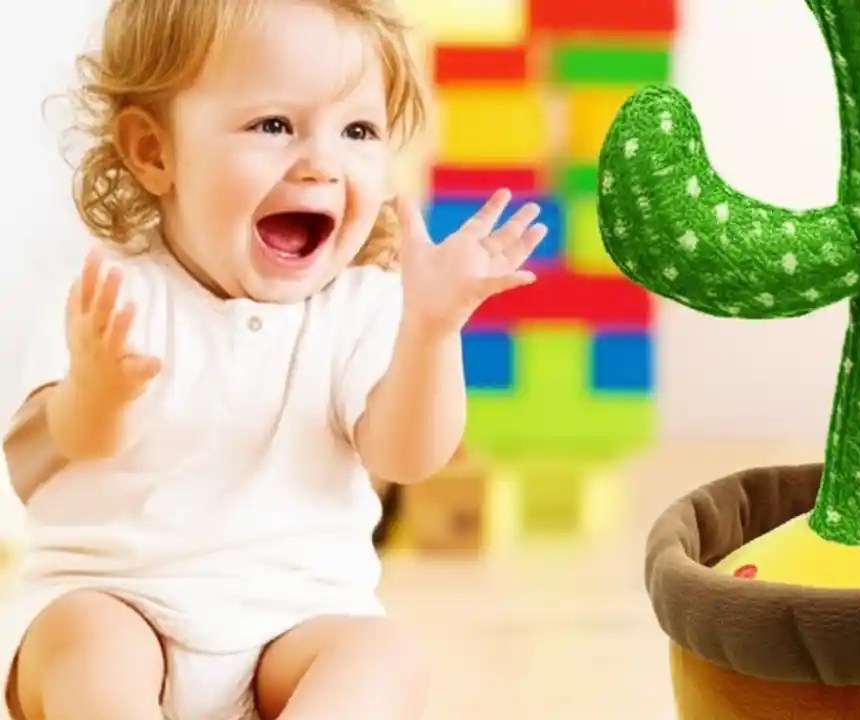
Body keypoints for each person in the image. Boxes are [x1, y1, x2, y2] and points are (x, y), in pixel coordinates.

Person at [0, 1, 546, 718]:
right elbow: (30, 461)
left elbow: (408, 456)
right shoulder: (111, 296)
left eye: (358, 130)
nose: (321, 163)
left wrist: (432, 334)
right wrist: (93, 396)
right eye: (273, 125)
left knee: (386, 655)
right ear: (153, 152)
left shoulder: (365, 308)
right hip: (122, 596)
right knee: (89, 640)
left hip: (293, 624)